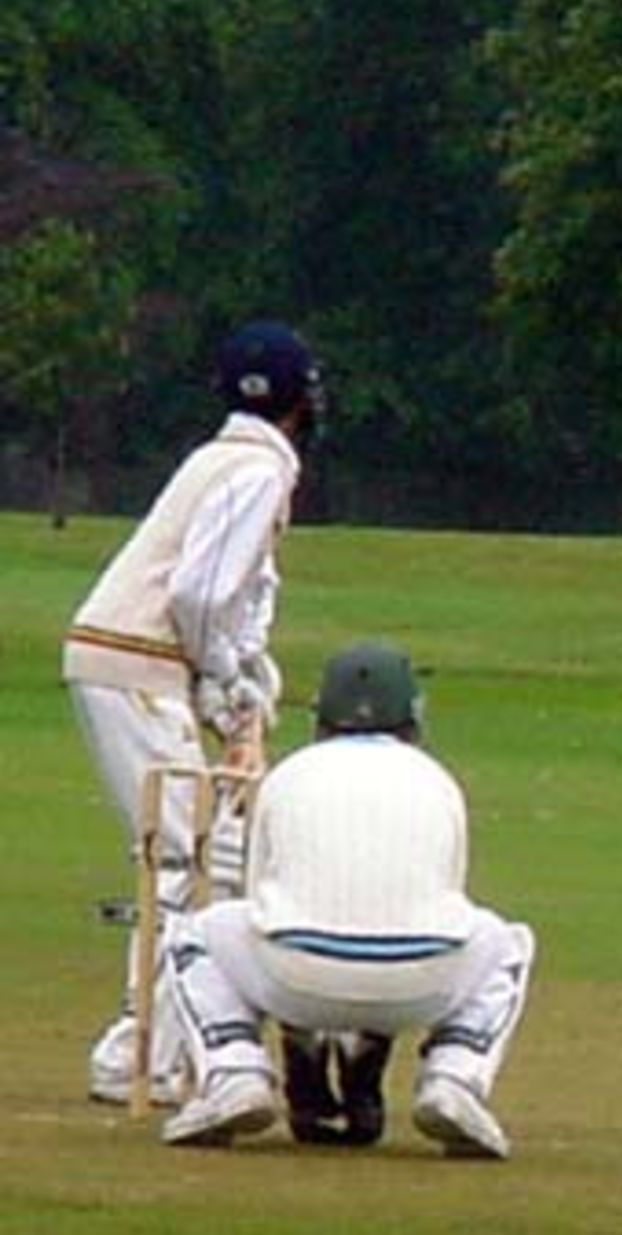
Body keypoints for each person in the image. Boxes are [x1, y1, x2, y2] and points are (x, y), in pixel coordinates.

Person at [62, 320, 325, 1105]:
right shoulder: (256, 470)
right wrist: (221, 681)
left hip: (133, 660)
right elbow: (199, 593)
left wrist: (242, 674)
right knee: (196, 856)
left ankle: (157, 1045)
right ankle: (144, 1051)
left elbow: (227, 593)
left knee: (206, 851)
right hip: (136, 660)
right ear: (299, 400)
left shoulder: (226, 458)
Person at [158, 642, 536, 1156]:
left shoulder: (286, 776)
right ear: (412, 716)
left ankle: (234, 1073)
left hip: (294, 976)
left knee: (193, 933)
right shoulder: (440, 783)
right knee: (507, 941)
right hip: (421, 981)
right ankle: (454, 1078)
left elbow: (261, 901)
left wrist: (305, 1043)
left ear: (321, 715)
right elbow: (447, 903)